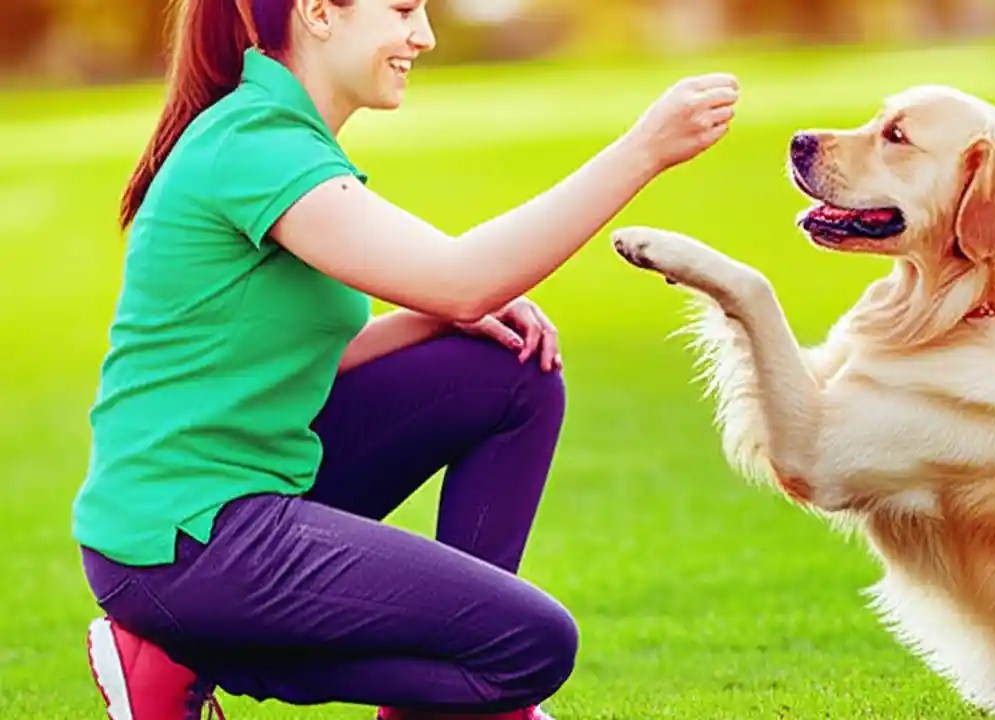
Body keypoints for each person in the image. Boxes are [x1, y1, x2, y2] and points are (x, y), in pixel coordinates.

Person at [72, 0, 739, 718]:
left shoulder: (284, 137)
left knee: (511, 371)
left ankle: (456, 695)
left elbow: (284, 353)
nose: (422, 35)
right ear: (319, 13)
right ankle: (182, 652)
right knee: (534, 647)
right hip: (184, 541)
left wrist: (436, 320)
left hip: (249, 489)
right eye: (401, 10)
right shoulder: (256, 144)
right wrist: (642, 149)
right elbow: (463, 278)